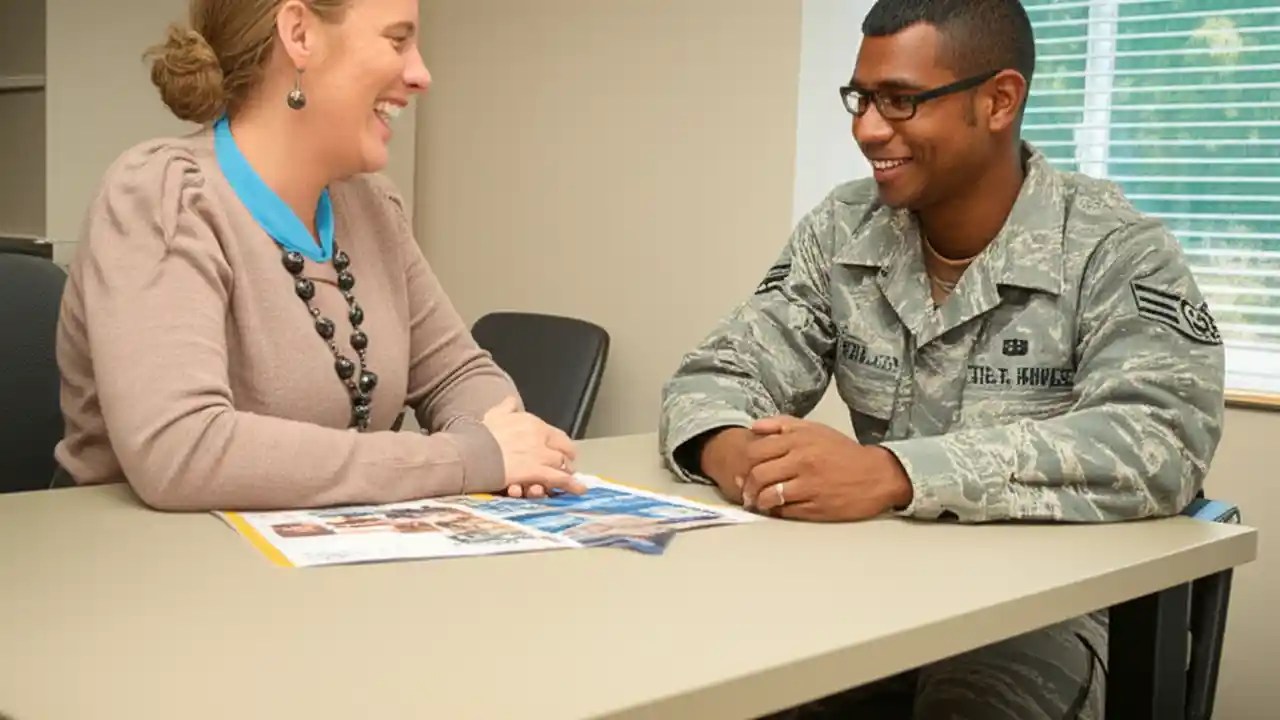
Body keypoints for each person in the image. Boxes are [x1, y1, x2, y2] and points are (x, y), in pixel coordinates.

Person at [658, 0, 1225, 717]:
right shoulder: (844, 227)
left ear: (999, 100)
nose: (867, 129)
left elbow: (1159, 442)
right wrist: (733, 452)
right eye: (861, 99)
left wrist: (895, 473)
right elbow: (718, 373)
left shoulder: (1114, 249)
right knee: (717, 690)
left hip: (1044, 608)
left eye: (900, 101)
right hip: (872, 586)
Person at [53, 0, 586, 511]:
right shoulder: (164, 196)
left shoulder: (372, 206)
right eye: (397, 40)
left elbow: (462, 376)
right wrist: (466, 459)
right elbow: (181, 449)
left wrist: (489, 445)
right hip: (154, 576)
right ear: (299, 35)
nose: (421, 74)